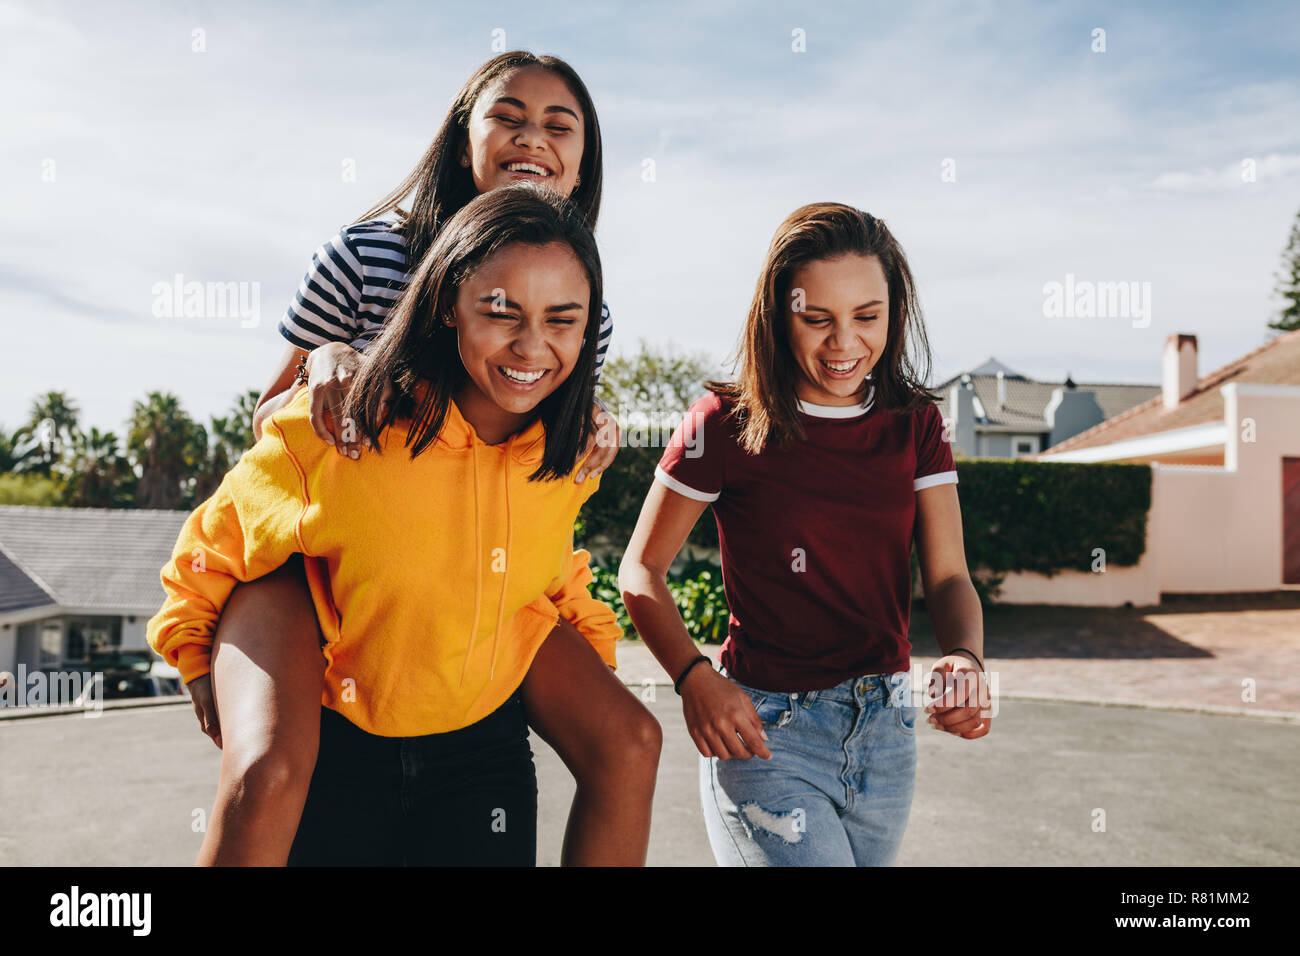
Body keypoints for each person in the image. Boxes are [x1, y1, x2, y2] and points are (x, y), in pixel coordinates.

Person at [183, 51, 661, 866]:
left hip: (469, 545)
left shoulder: (579, 295)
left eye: (559, 124)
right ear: (461, 137)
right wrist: (328, 362)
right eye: (507, 116)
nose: (532, 137)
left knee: (628, 741)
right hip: (333, 521)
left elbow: (534, 443)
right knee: (267, 769)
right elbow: (271, 421)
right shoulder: (371, 255)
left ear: (585, 159)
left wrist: (592, 426)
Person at [619, 202, 991, 867]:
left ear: (894, 311)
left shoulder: (916, 426)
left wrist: (966, 656)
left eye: (866, 318)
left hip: (885, 733)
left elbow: (948, 576)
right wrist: (693, 676)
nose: (843, 343)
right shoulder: (725, 423)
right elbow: (641, 570)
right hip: (765, 735)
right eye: (816, 318)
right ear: (777, 313)